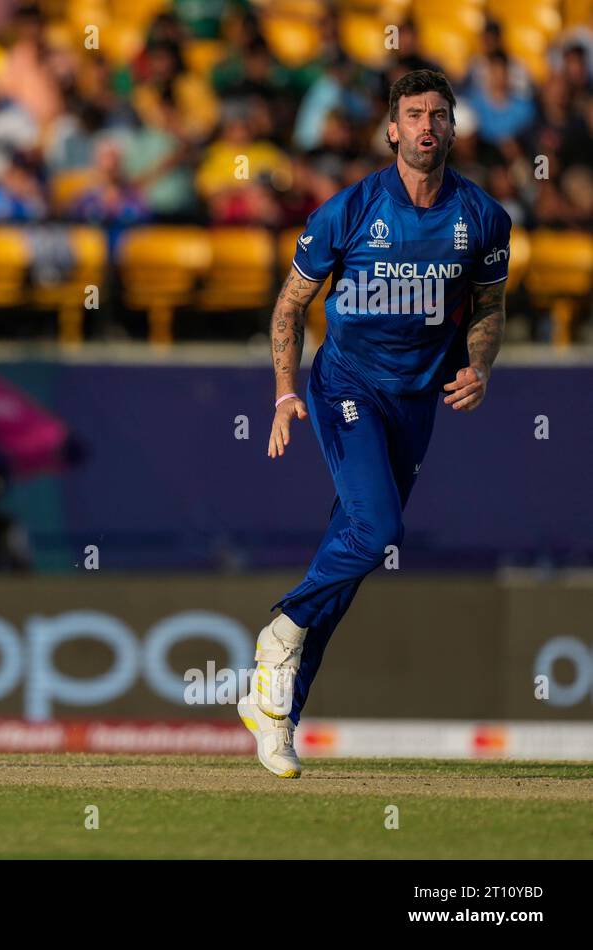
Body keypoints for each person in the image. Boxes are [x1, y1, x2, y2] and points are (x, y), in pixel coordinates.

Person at [248, 70, 510, 778]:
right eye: (414, 114)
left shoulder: (483, 217)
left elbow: (487, 306)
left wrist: (480, 367)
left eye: (439, 115)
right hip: (346, 388)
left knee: (352, 558)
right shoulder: (350, 210)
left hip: (418, 401)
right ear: (392, 129)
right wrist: (282, 392)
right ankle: (282, 628)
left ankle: (275, 712)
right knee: (377, 531)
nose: (427, 126)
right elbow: (288, 305)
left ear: (454, 128)